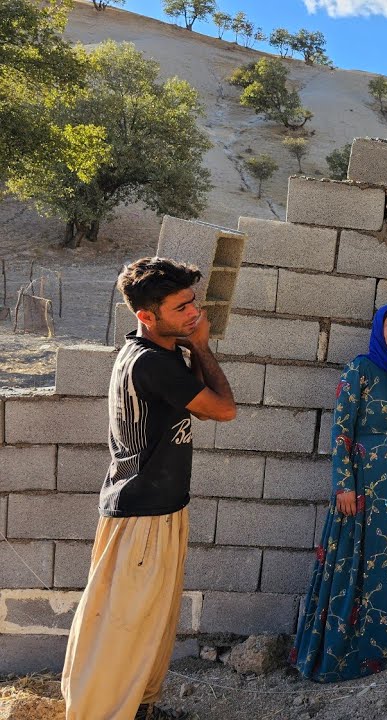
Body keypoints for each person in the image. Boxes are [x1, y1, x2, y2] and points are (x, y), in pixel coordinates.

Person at [62, 257, 237, 720]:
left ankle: (138, 708)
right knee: (121, 627)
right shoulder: (150, 363)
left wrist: (192, 347)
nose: (194, 315)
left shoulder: (164, 355)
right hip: (142, 514)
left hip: (163, 510)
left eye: (193, 304)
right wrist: (202, 348)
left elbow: (199, 409)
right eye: (182, 308)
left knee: (151, 625)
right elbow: (222, 409)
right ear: (146, 315)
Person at [292, 303, 387, 681]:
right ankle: (350, 653)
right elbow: (340, 432)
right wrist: (344, 484)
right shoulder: (360, 370)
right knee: (360, 564)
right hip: (365, 489)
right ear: (378, 331)